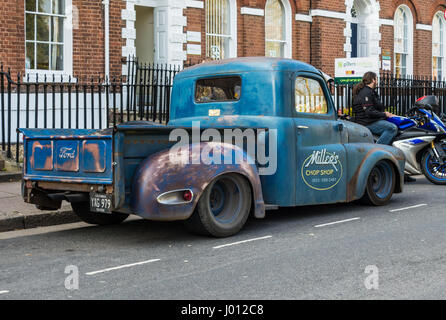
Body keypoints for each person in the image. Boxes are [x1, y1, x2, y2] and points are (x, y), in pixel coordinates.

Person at [352, 72, 416, 182]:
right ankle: (375, 153)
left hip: (373, 120)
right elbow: (369, 112)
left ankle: (401, 171)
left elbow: (376, 109)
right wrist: (384, 115)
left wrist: (388, 114)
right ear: (373, 80)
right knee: (391, 128)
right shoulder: (366, 92)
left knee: (399, 131)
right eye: (376, 78)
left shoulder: (371, 92)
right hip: (367, 122)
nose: (377, 80)